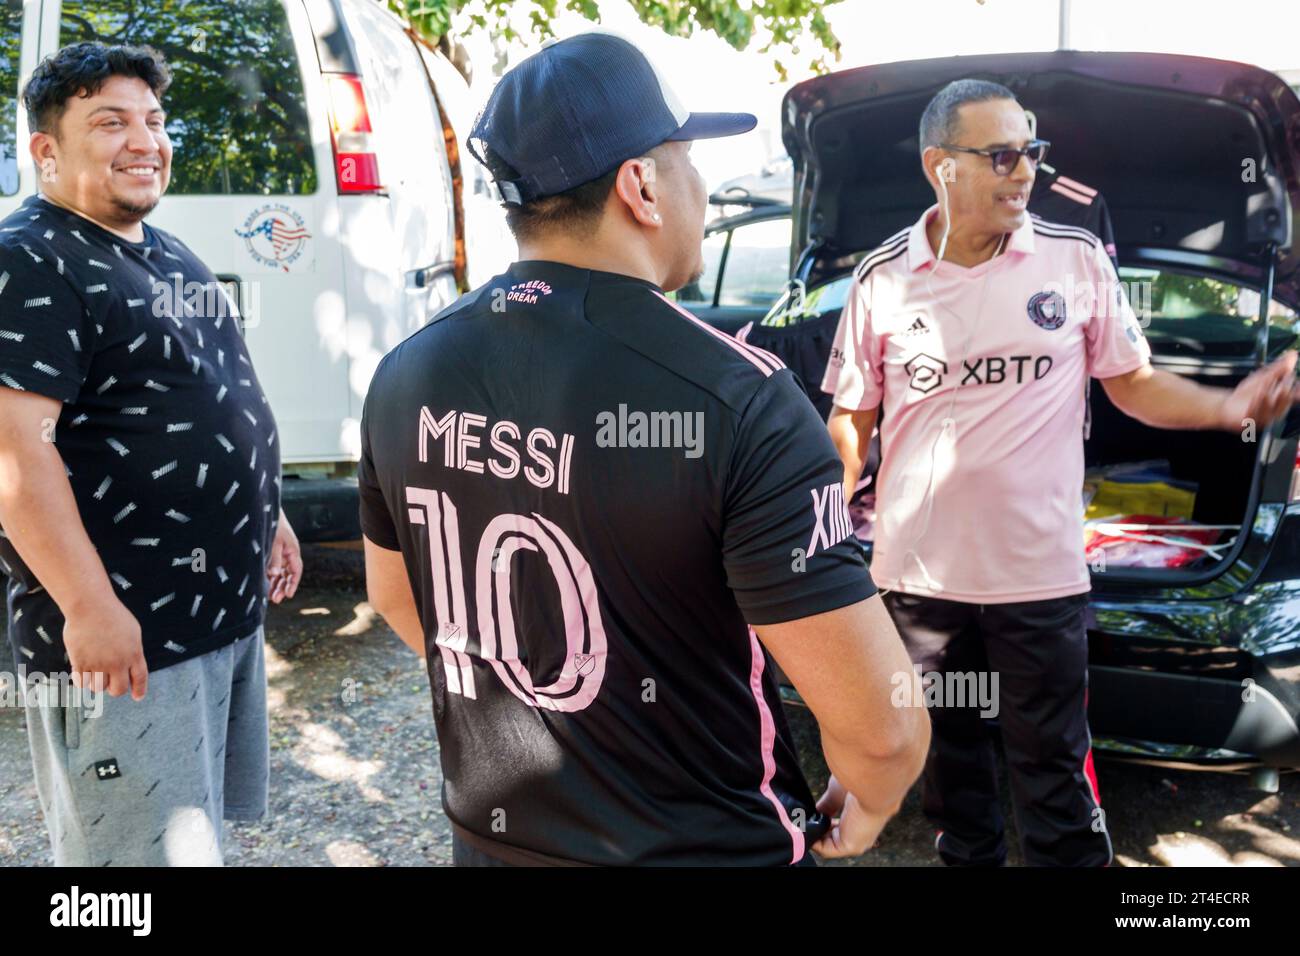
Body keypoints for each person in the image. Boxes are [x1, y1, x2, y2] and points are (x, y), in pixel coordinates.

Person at [359, 32, 928, 866]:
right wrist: (873, 801)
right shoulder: (739, 395)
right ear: (642, 186)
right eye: (689, 158)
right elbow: (880, 727)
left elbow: (401, 599)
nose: (705, 186)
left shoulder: (407, 368)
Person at [823, 79, 1300, 867]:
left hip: (1039, 580)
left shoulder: (1074, 260)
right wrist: (827, 512)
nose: (1026, 172)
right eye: (1002, 155)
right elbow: (853, 416)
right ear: (940, 165)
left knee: (1053, 776)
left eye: (1032, 152)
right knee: (949, 768)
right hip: (916, 582)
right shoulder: (883, 276)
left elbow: (1134, 384)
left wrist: (1230, 405)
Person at [0, 42, 302, 866]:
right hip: (130, 632)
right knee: (129, 866)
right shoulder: (29, 256)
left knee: (187, 841)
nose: (146, 140)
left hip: (210, 615)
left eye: (155, 120)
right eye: (111, 123)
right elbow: (12, 454)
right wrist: (89, 609)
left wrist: (266, 511)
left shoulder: (160, 248)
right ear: (47, 151)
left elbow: (219, 390)